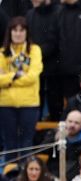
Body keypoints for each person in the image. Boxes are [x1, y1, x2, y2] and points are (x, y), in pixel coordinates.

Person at [0, 16, 42, 156]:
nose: (18, 33)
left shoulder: (35, 50)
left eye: (21, 30)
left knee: (26, 143)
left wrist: (7, 78)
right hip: (6, 104)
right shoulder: (2, 52)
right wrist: (16, 75)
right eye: (15, 30)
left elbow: (32, 77)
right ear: (10, 32)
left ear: (27, 32)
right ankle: (10, 176)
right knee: (9, 144)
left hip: (29, 103)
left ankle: (25, 176)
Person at [26, 0, 60, 120]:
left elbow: (56, 41)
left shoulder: (58, 13)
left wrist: (36, 53)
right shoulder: (30, 15)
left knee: (55, 103)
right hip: (34, 68)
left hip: (55, 67)